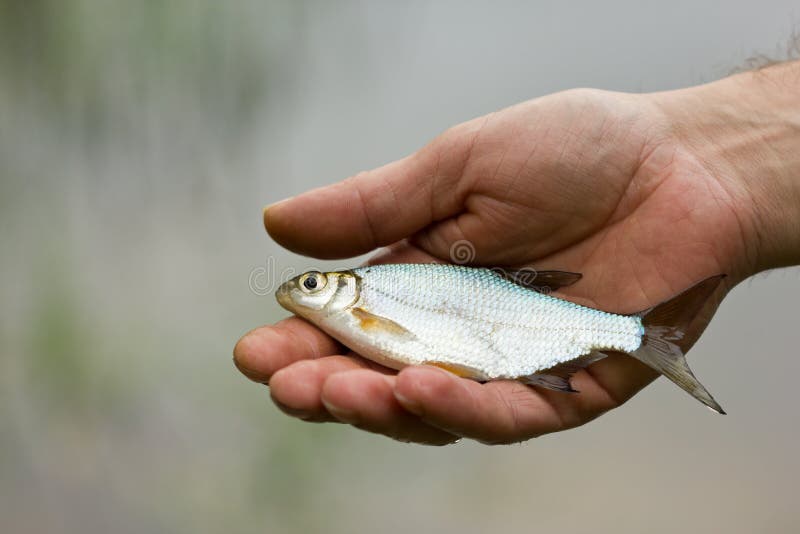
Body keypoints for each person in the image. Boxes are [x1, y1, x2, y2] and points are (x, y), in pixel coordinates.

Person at [233, 60, 799, 445]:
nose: (301, 292)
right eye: (309, 285)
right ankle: (637, 336)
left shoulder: (365, 299)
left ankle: (641, 335)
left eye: (310, 285)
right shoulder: (367, 302)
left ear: (343, 293)